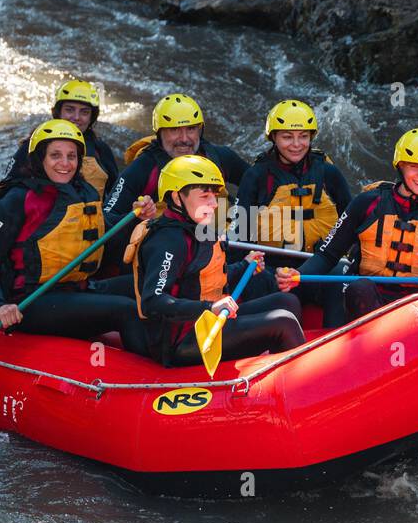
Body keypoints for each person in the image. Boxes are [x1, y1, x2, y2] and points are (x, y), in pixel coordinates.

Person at [277, 128, 418, 322]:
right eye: (414, 167)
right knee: (359, 288)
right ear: (400, 166)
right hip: (368, 299)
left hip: (417, 308)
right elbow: (328, 254)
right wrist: (299, 276)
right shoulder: (368, 203)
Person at [0, 119, 156, 340]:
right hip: (32, 300)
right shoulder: (17, 198)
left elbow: (103, 232)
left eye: (71, 156)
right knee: (126, 309)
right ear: (39, 157)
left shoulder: (83, 192)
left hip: (77, 288)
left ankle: (180, 345)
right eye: (55, 155)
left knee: (153, 283)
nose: (65, 163)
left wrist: (136, 216)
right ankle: (154, 370)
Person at [125, 155, 305, 367]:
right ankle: (302, 387)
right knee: (283, 323)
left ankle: (276, 369)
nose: (213, 203)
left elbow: (201, 277)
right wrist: (210, 307)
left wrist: (245, 266)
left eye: (214, 195)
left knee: (287, 302)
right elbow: (152, 302)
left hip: (208, 322)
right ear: (176, 198)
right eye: (204, 196)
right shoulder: (168, 241)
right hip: (181, 341)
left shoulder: (194, 227)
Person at [230, 99, 353, 323]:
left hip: (317, 267)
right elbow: (239, 238)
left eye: (303, 136)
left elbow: (352, 226)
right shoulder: (257, 177)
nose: (296, 144)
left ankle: (337, 339)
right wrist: (265, 270)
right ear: (273, 138)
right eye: (287, 137)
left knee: (343, 271)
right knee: (256, 280)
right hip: (274, 272)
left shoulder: (328, 173)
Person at [0, 80, 120, 230]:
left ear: (92, 117)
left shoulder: (101, 150)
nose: (76, 117)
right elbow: (8, 185)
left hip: (87, 224)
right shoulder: (35, 144)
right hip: (43, 225)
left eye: (84, 112)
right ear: (58, 111)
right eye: (70, 109)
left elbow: (115, 195)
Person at [102, 93, 249, 232]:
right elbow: (107, 218)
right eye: (174, 130)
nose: (184, 139)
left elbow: (258, 183)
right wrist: (136, 218)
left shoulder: (219, 157)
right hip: (168, 247)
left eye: (191, 129)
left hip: (218, 242)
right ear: (159, 134)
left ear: (200, 131)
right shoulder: (143, 168)